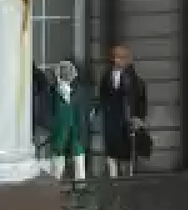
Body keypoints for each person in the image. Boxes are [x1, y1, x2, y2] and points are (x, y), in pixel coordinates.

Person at [97, 45, 149, 177]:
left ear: (126, 59)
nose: (116, 60)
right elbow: (102, 97)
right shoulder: (106, 77)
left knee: (127, 155)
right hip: (111, 122)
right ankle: (113, 181)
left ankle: (127, 181)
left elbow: (141, 101)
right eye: (114, 57)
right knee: (111, 155)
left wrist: (139, 118)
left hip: (127, 121)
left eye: (120, 57)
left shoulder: (136, 80)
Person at [47, 60, 91, 181]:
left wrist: (86, 121)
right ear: (59, 73)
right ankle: (54, 185)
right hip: (59, 128)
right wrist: (52, 125)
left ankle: (80, 186)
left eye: (68, 70)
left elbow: (86, 107)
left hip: (77, 128)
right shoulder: (53, 90)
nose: (66, 73)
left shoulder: (80, 89)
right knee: (58, 157)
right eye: (63, 70)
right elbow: (49, 110)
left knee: (79, 157)